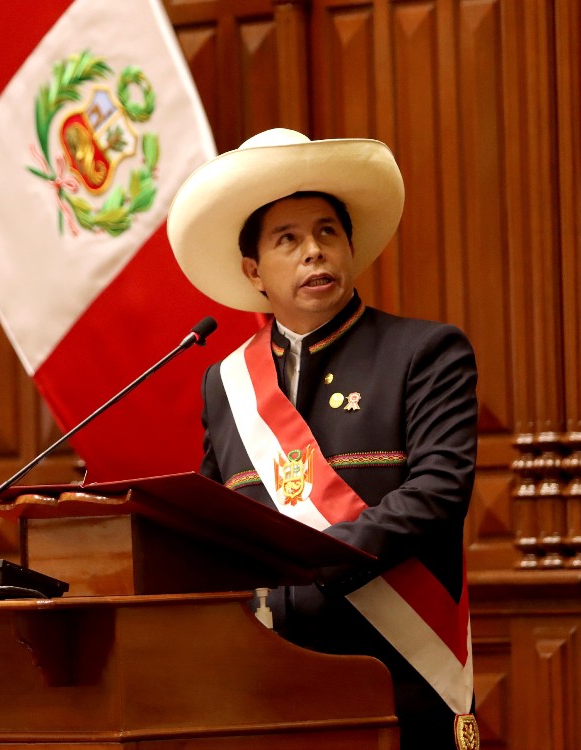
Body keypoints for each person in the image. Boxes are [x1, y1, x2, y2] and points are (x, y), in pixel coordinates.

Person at [167, 128, 479, 750]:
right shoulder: (225, 384)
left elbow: (439, 492)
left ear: (350, 248)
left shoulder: (423, 352)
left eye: (327, 232)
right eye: (289, 239)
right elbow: (215, 522)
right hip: (267, 683)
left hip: (397, 673)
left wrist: (313, 561)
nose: (314, 251)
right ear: (254, 271)